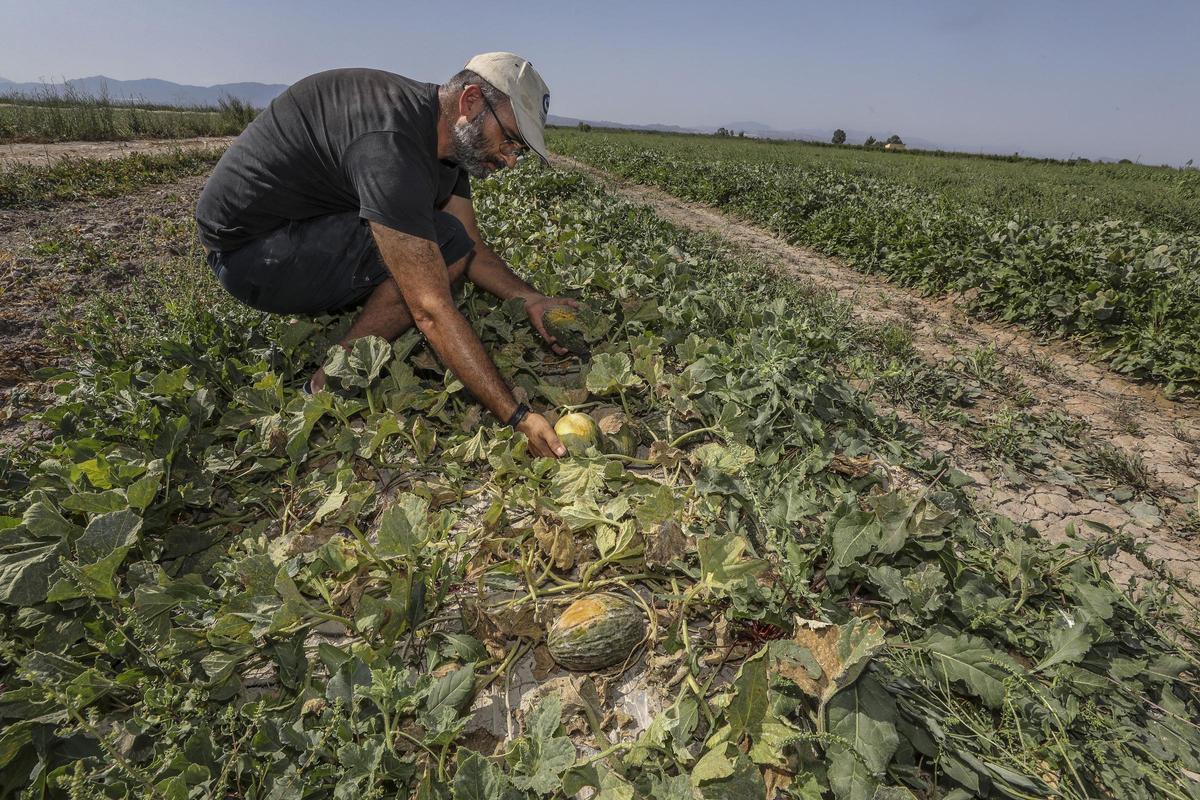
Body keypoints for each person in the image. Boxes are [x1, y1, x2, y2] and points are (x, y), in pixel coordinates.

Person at [195, 53, 575, 458]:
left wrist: (530, 298)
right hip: (251, 254)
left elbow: (472, 245)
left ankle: (335, 322)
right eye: (510, 140)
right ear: (471, 102)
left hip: (295, 229)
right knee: (438, 249)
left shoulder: (448, 142)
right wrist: (517, 416)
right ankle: (326, 383)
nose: (510, 159)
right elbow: (430, 308)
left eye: (520, 150)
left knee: (448, 239)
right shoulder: (392, 141)